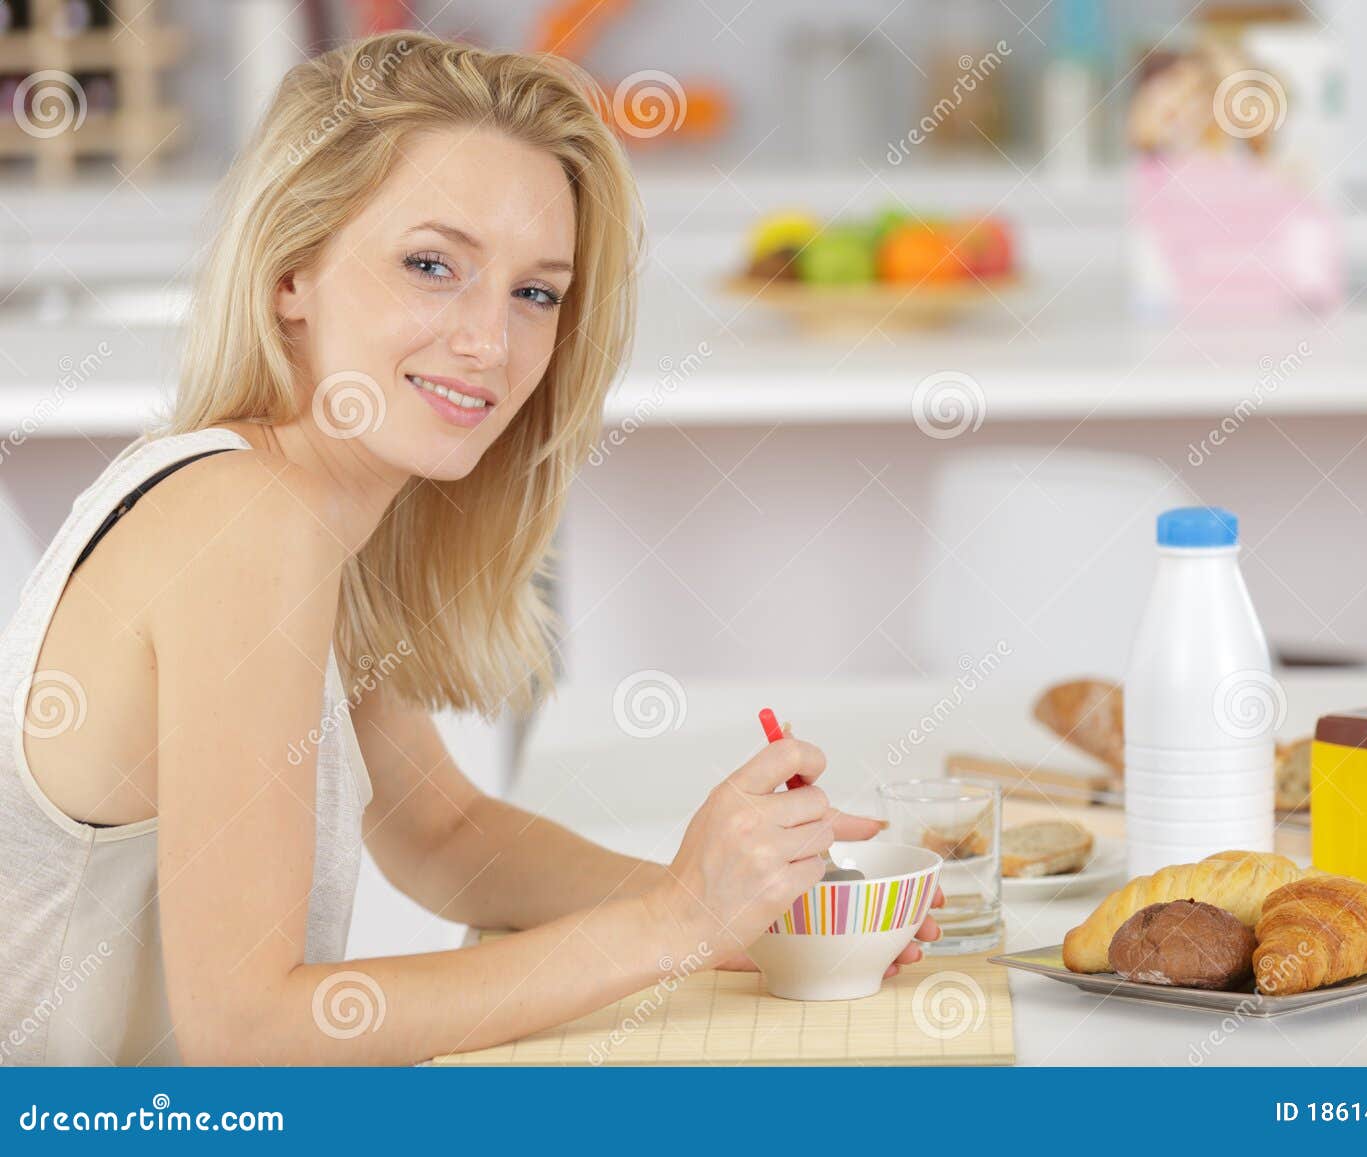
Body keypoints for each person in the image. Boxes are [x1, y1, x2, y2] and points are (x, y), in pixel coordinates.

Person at [0, 32, 938, 1066]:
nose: (489, 341)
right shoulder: (244, 525)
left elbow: (447, 838)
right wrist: (672, 923)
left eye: (535, 291)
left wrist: (752, 910)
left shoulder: (309, 514)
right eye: (431, 265)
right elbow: (247, 1028)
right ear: (289, 275)